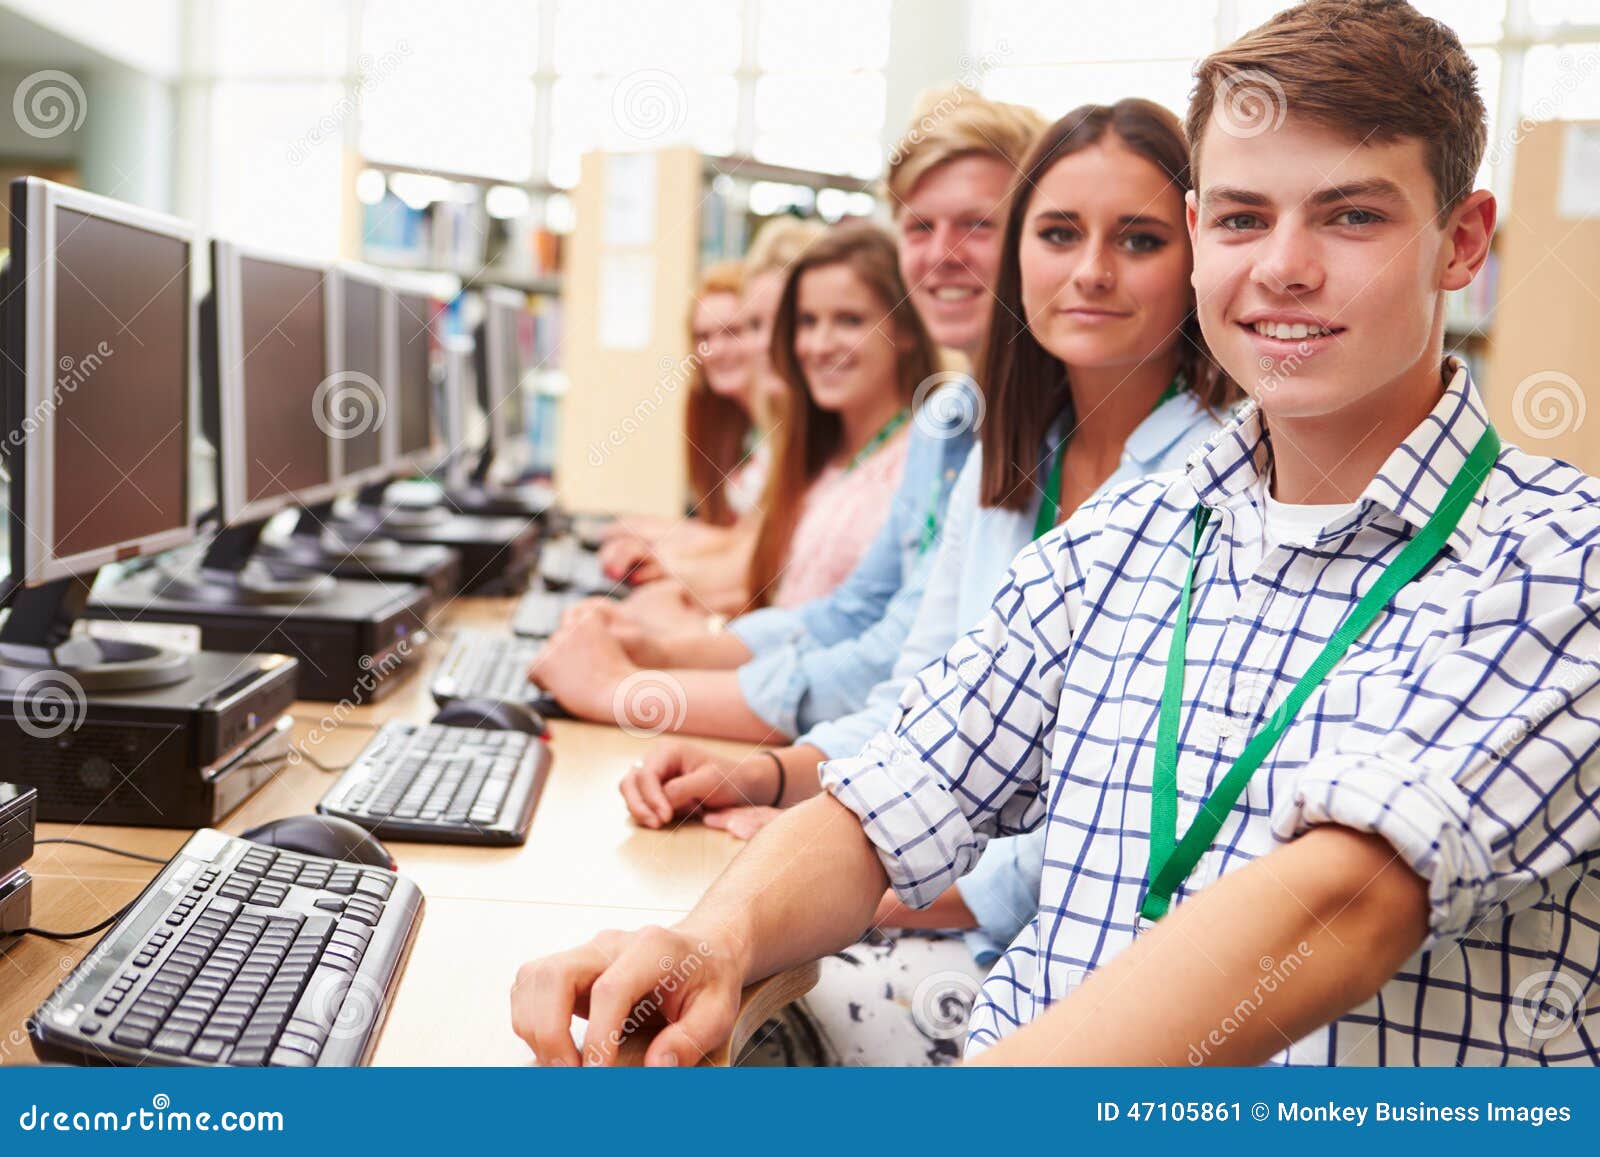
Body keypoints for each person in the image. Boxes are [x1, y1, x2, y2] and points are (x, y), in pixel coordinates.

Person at [511, 0, 1600, 1068]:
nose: (1282, 266)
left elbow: (1335, 906)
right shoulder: (1132, 528)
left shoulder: (1559, 558)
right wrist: (712, 939)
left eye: (1351, 216)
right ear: (1198, 234)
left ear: (1460, 242)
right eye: (1239, 218)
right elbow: (897, 787)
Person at [625, 99, 1238, 1065]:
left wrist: (870, 883)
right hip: (970, 912)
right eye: (1060, 234)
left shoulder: (1217, 482)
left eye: (1141, 239)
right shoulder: (1006, 451)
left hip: (1088, 971)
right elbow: (921, 699)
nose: (1091, 271)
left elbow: (1114, 806)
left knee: (754, 1031)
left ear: (1198, 254)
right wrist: (778, 775)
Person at [533, 90, 1044, 739]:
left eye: (977, 224)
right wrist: (656, 655)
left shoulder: (1026, 432)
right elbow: (852, 617)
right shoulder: (950, 423)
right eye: (919, 226)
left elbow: (888, 668)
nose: (943, 254)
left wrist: (634, 688)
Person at [599, 222, 823, 606]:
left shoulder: (802, 431)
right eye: (703, 338)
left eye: (733, 331)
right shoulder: (736, 425)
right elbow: (745, 544)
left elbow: (759, 560)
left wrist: (666, 557)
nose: (716, 350)